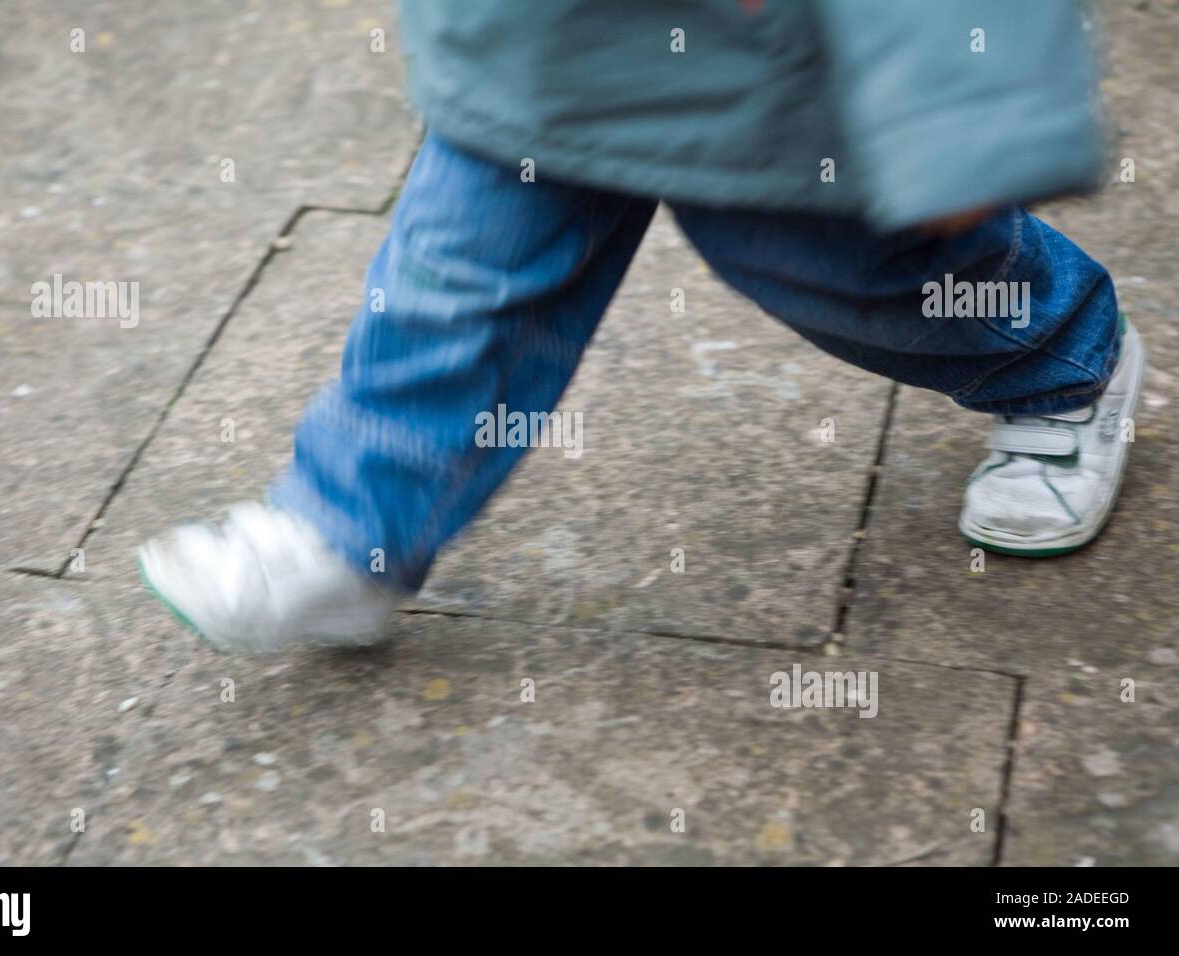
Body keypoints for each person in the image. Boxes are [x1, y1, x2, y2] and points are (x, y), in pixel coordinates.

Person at [138, 0, 1145, 653]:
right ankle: (353, 530)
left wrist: (977, 105)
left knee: (841, 269)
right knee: (454, 271)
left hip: (758, 63)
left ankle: (1060, 361)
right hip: (536, 43)